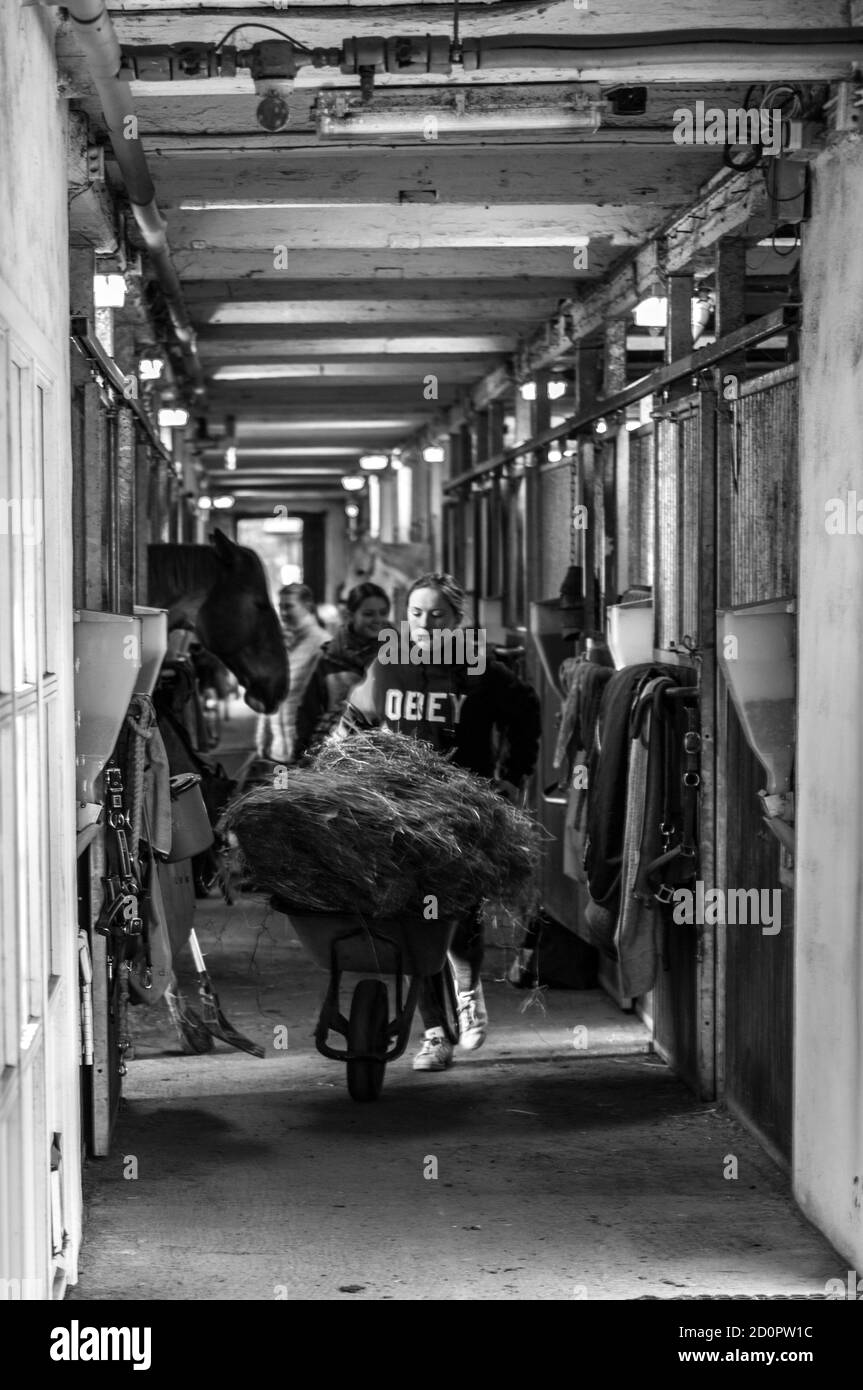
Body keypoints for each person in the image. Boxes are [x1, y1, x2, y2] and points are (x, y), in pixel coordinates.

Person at [339, 571, 541, 1073]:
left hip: (463, 813)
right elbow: (356, 718)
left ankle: (468, 989)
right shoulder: (390, 662)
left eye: (437, 615)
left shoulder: (479, 672)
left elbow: (526, 710)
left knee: (455, 915)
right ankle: (434, 1033)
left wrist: (510, 776)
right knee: (412, 919)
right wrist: (337, 759)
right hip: (403, 809)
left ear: (457, 620)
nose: (425, 623)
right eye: (415, 613)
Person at [295, 581, 390, 761]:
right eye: (369, 614)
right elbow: (307, 714)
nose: (378, 619)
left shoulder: (401, 656)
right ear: (350, 615)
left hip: (385, 756)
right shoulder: (329, 659)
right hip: (334, 755)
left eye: (383, 613)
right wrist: (302, 756)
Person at [256, 583, 329, 765]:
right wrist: (262, 740)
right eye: (280, 607)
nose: (283, 612)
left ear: (307, 606)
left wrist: (316, 750)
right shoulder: (281, 645)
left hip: (306, 757)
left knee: (302, 794)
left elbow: (327, 704)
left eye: (288, 606)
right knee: (280, 791)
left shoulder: (323, 644)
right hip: (278, 754)